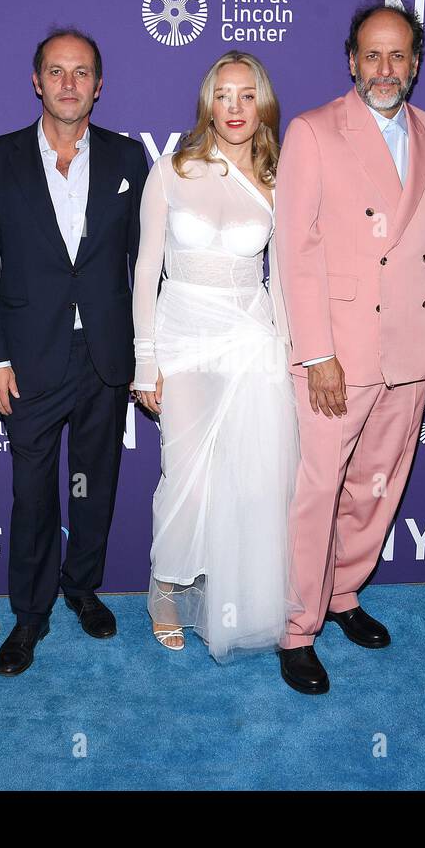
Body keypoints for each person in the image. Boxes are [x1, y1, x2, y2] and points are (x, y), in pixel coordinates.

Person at [273, 2, 425, 695]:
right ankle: (298, 626)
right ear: (351, 60)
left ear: (415, 63)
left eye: (398, 56)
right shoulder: (314, 132)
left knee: (377, 488)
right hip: (337, 353)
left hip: (409, 348)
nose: (385, 69)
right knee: (317, 490)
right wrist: (315, 351)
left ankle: (343, 593)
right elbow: (295, 248)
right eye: (372, 56)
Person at [0, 28, 150, 677]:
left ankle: (82, 585)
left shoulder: (131, 160)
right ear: (36, 81)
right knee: (33, 491)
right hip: (28, 356)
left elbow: (146, 262)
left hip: (105, 352)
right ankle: (30, 612)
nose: (68, 83)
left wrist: (146, 353)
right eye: (56, 71)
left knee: (95, 481)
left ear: (98, 85)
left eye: (81, 72)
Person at [132, 50, 296, 660]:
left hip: (252, 338)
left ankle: (231, 594)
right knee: (187, 478)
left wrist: (287, 348)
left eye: (246, 95)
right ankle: (164, 590)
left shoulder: (280, 179)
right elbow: (146, 268)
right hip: (182, 337)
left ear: (263, 104)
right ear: (208, 104)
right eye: (223, 96)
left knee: (250, 482)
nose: (234, 108)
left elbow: (278, 278)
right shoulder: (172, 170)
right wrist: (144, 360)